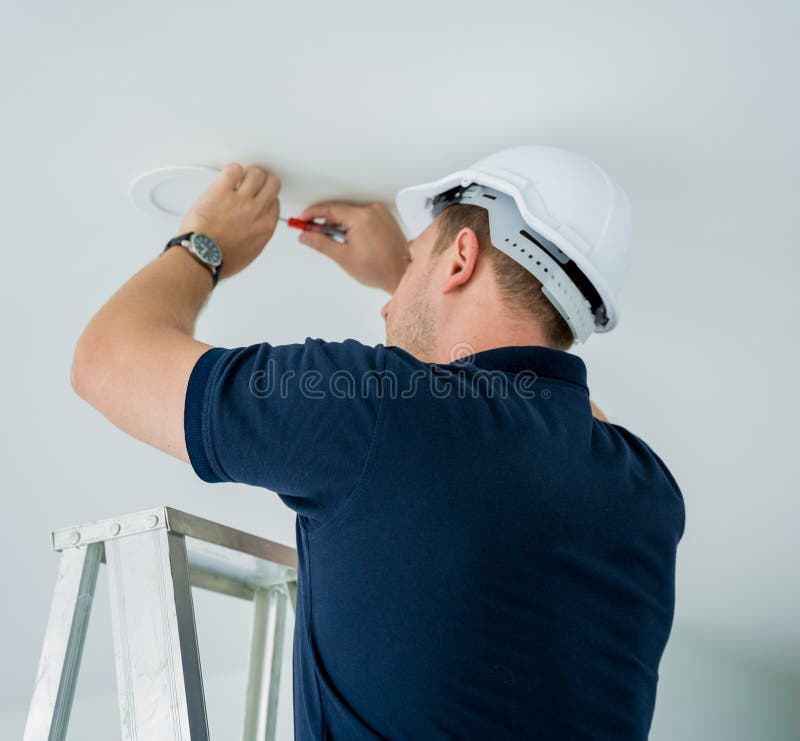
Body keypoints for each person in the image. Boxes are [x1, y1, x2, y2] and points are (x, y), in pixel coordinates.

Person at [71, 146, 685, 740]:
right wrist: (419, 273)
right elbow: (553, 415)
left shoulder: (379, 408)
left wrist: (204, 244)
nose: (388, 309)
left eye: (414, 265)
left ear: (462, 259)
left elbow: (106, 360)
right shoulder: (647, 491)